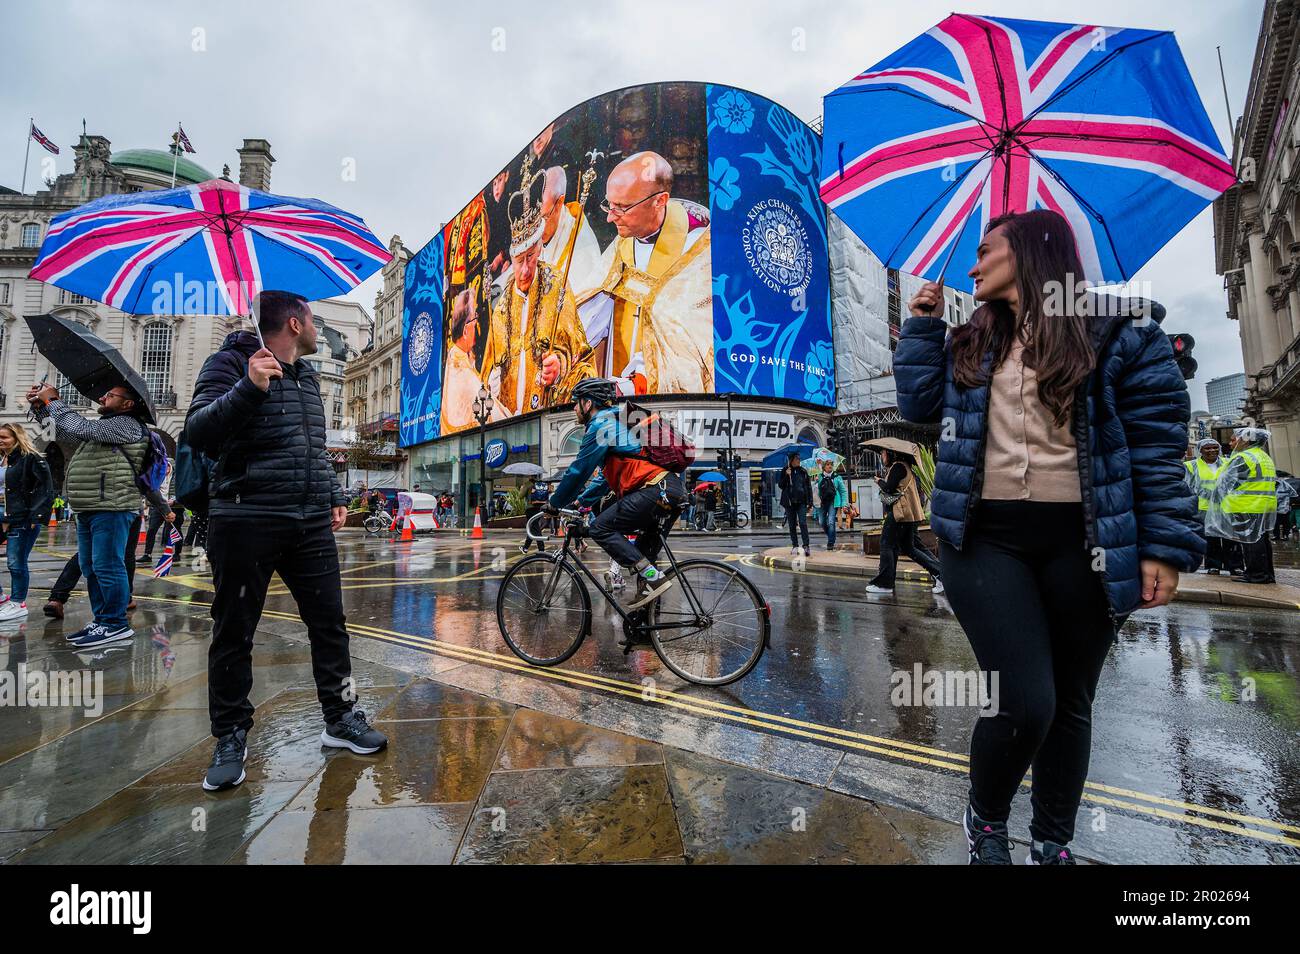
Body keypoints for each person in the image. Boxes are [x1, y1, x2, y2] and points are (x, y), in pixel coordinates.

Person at [894, 209, 1203, 865]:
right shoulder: (970, 340)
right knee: (1026, 701)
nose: (971, 266)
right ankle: (986, 820)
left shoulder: (1122, 333)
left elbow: (1156, 449)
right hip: (984, 540)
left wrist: (1161, 550)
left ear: (1030, 252)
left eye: (984, 251)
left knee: (1069, 703)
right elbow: (920, 406)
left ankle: (1053, 842)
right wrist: (922, 324)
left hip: (1086, 539)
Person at [187, 290, 387, 793]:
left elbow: (312, 446)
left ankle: (340, 717)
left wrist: (333, 494)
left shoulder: (307, 375)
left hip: (309, 520)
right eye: (314, 318)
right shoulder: (230, 362)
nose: (320, 329)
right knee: (234, 630)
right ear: (295, 323)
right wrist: (248, 387)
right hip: (245, 516)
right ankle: (231, 735)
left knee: (329, 623)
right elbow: (198, 433)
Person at [28, 382, 154, 648]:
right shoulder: (105, 429)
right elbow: (63, 434)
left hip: (112, 505)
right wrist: (40, 410)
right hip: (90, 506)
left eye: (109, 395)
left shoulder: (127, 425)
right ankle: (102, 621)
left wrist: (54, 401)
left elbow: (81, 427)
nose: (102, 397)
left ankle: (115, 624)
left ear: (127, 404)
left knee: (108, 566)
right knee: (91, 566)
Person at [575, 151, 713, 394]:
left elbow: (688, 338)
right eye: (609, 204)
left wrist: (637, 381)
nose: (609, 217)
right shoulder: (621, 245)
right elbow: (588, 315)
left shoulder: (699, 251)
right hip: (612, 394)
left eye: (622, 207)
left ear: (660, 201)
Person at [548, 377, 684, 621]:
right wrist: (581, 502)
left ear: (587, 404)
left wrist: (554, 504)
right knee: (645, 561)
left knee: (600, 527)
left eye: (575, 404)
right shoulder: (617, 421)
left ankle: (654, 579)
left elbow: (579, 471)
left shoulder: (601, 424)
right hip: (670, 490)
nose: (573, 409)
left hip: (654, 489)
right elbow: (606, 479)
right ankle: (644, 630)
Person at [480, 154, 596, 416]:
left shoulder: (556, 287)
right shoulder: (500, 309)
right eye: (519, 260)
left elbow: (582, 357)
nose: (525, 269)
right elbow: (487, 372)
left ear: (538, 250)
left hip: (545, 418)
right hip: (508, 423)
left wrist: (560, 366)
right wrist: (490, 381)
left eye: (531, 257)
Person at [865, 449, 942, 594]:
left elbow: (889, 488)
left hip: (900, 513)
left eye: (883, 454)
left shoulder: (898, 467)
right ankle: (940, 573)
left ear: (890, 453)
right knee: (909, 547)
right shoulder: (905, 466)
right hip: (909, 514)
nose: (882, 457)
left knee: (886, 544)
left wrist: (879, 481)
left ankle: (885, 584)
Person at [1208, 427, 1278, 584]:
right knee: (1262, 541)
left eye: (1234, 439)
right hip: (1263, 505)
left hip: (1247, 505)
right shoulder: (1262, 456)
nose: (1231, 443)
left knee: (1251, 542)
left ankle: (1256, 574)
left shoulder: (1244, 457)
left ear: (1245, 440)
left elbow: (1226, 482)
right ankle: (1266, 574)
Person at [0, 424, 54, 621]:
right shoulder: (3, 458)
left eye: (4, 437)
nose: (0, 440)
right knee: (15, 560)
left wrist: (36, 516)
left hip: (22, 517)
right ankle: (1, 597)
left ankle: (18, 602)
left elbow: (45, 488)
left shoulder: (31, 458)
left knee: (16, 561)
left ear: (17, 437)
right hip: (3, 515)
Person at [1184, 438, 1238, 574]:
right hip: (1204, 507)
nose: (1212, 450)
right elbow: (1188, 486)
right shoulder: (1191, 465)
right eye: (1207, 448)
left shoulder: (1228, 463)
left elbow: (1235, 482)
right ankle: (1213, 565)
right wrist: (1212, 495)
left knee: (1230, 537)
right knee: (1210, 538)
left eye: (1215, 447)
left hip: (1226, 506)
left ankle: (1234, 566)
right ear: (1200, 450)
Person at [777, 452, 812, 556]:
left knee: (803, 523)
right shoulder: (785, 470)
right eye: (797, 458)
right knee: (792, 525)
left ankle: (806, 545)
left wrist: (809, 502)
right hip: (789, 502)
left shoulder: (803, 471)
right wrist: (787, 476)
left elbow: (808, 487)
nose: (799, 460)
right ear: (791, 460)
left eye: (799, 458)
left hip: (801, 502)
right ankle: (795, 546)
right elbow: (781, 485)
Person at [815, 459, 846, 550]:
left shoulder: (837, 477)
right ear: (824, 467)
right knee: (822, 522)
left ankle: (830, 542)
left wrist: (844, 504)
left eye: (831, 465)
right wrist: (817, 482)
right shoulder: (820, 477)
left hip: (833, 501)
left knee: (831, 522)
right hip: (822, 502)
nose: (830, 466)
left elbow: (843, 491)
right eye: (828, 465)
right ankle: (831, 535)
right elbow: (816, 490)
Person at [521, 480, 551, 553]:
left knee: (535, 527)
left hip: (530, 508)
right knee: (532, 527)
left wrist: (522, 488)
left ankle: (541, 548)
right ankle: (525, 547)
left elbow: (520, 496)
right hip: (539, 507)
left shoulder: (527, 484)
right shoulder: (540, 484)